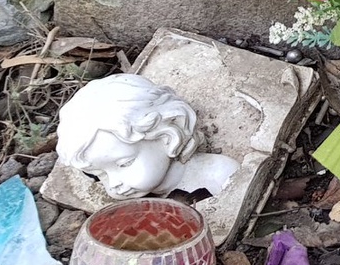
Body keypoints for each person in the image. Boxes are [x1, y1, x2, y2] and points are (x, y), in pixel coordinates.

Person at [54, 74, 236, 198]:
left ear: (166, 137)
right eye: (100, 174)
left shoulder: (219, 175)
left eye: (124, 164)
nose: (114, 184)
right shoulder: (143, 198)